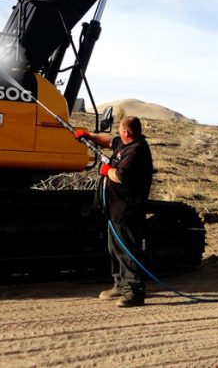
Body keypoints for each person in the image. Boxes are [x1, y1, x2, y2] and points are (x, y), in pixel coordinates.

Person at [73, 116, 153, 308]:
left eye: (119, 130)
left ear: (126, 132)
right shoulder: (125, 144)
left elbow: (120, 176)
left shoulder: (136, 151)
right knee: (114, 249)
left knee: (127, 251)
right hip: (115, 209)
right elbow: (109, 141)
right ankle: (120, 284)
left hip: (128, 211)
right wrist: (89, 136)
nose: (117, 133)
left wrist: (107, 170)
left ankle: (134, 291)